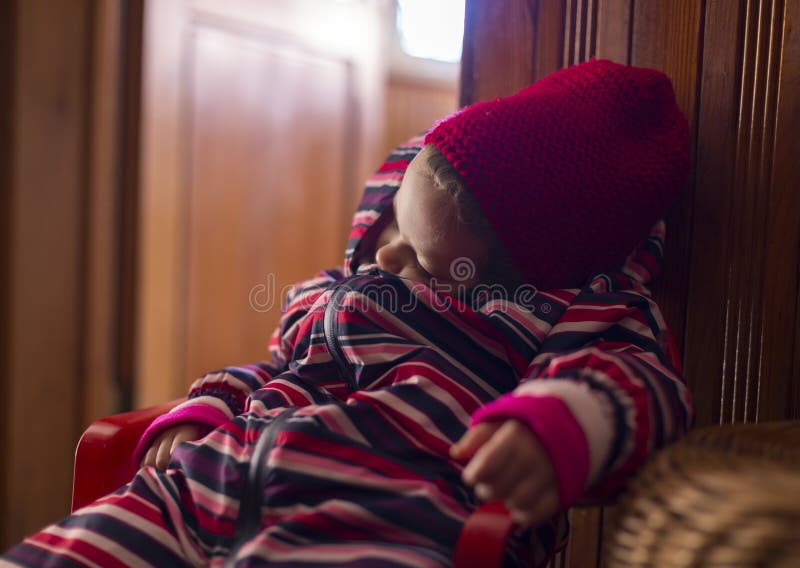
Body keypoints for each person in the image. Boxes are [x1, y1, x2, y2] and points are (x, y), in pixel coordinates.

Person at [2, 59, 693, 567]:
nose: (386, 258)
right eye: (391, 224)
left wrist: (560, 426)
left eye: (425, 260)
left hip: (378, 525)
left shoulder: (568, 317)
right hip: (207, 485)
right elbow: (276, 369)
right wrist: (211, 407)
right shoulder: (342, 289)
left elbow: (644, 385)